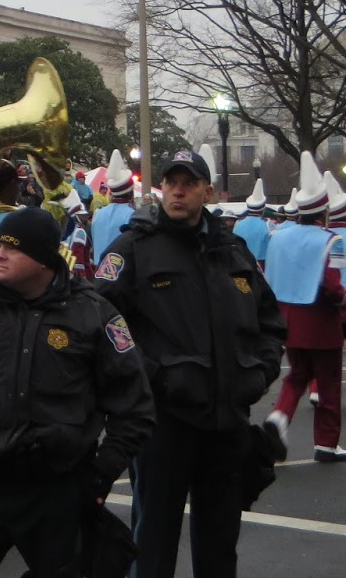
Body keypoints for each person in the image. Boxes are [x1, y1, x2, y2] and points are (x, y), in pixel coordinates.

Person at [0, 207, 155, 578]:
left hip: (56, 493)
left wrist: (102, 473)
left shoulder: (93, 314)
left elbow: (134, 407)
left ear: (42, 259)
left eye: (13, 247)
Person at [93, 148, 286, 578]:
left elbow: (270, 323)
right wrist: (152, 375)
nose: (177, 190)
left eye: (189, 183)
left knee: (220, 549)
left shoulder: (232, 250)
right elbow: (101, 321)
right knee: (153, 545)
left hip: (227, 423)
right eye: (171, 182)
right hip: (163, 423)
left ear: (207, 191)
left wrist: (257, 373)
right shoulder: (133, 248)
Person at [263, 155, 346, 462]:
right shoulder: (330, 241)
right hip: (321, 323)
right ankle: (326, 443)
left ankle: (279, 417)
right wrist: (342, 299)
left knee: (296, 376)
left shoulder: (280, 237)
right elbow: (331, 285)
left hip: (288, 320)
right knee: (329, 385)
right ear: (323, 210)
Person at [88, 151, 136, 258]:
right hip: (122, 270)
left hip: (98, 270)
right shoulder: (132, 215)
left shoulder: (98, 213)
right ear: (131, 193)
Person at [234, 178, 271, 265]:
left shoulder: (238, 223)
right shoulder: (268, 225)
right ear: (263, 208)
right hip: (261, 267)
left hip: (241, 264)